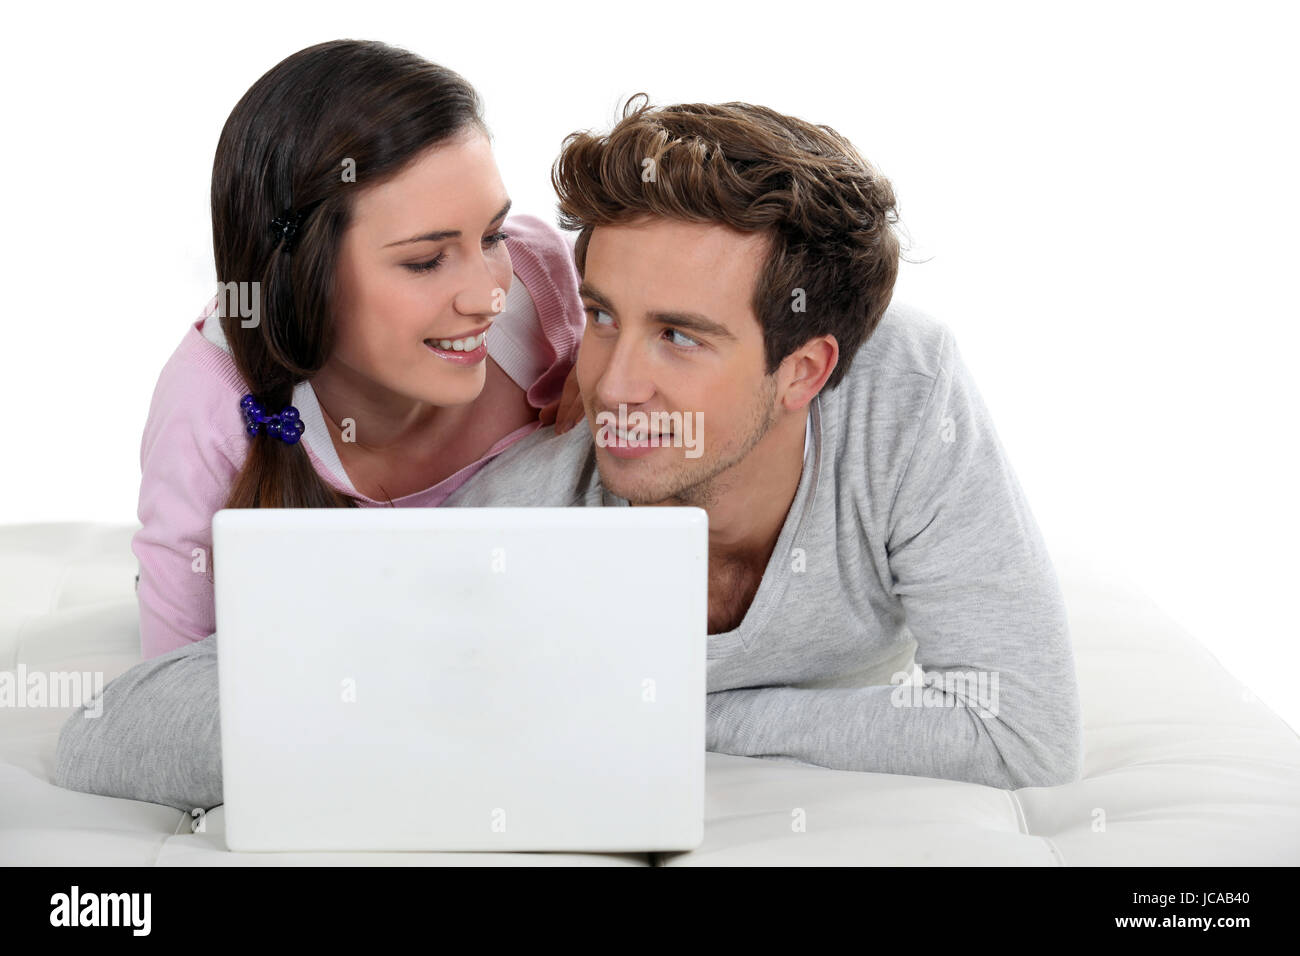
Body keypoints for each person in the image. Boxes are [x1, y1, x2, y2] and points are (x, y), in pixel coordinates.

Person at [55, 95, 1082, 814]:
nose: (610, 386)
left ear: (806, 368)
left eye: (679, 334)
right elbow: (112, 732)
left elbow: (1020, 729)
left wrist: (658, 713)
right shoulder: (523, 509)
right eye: (600, 315)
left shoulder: (905, 395)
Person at [133, 38, 585, 660]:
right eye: (426, 262)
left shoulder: (541, 284)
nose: (487, 297)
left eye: (491, 235)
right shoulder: (209, 406)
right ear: (302, 273)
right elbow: (167, 692)